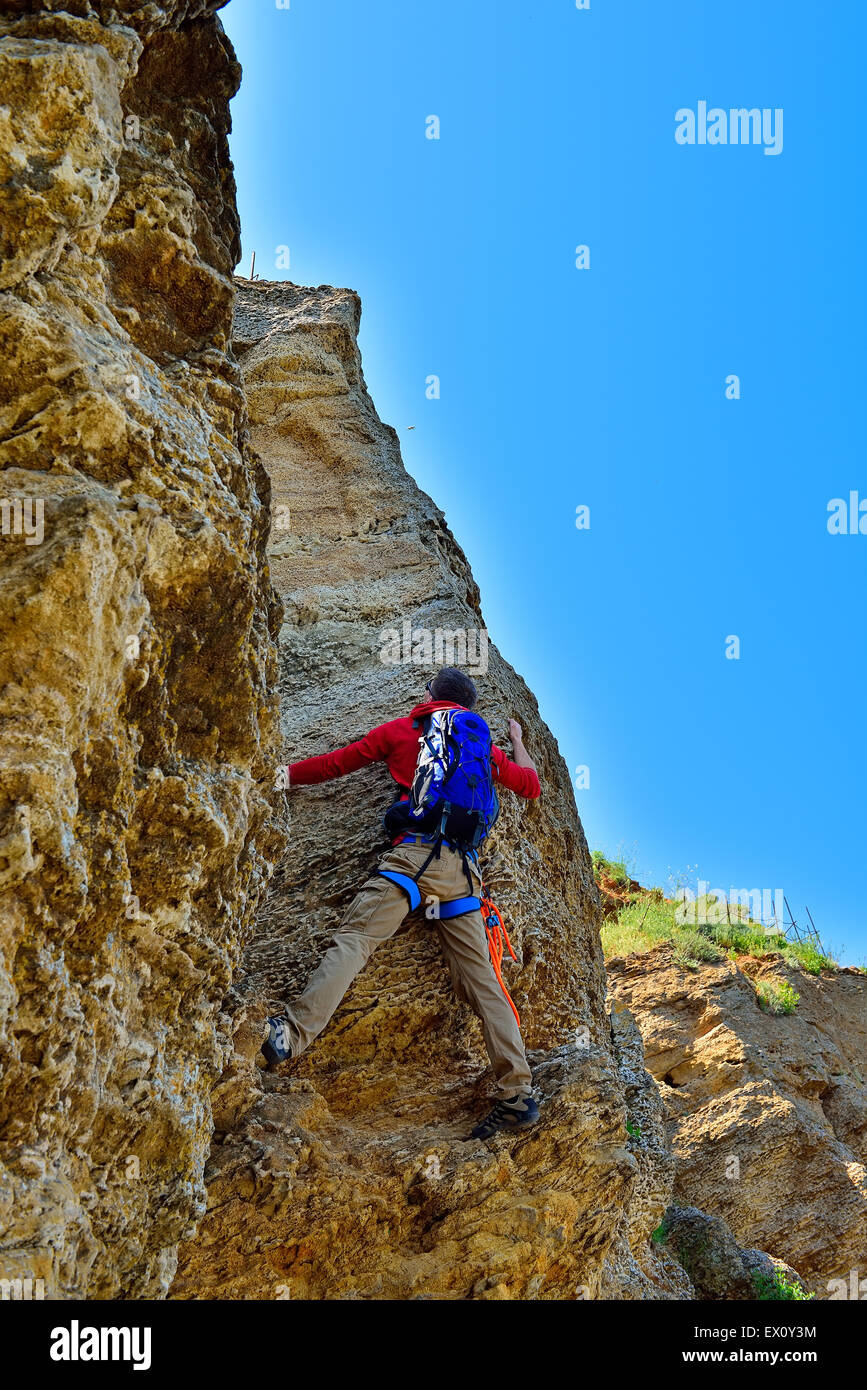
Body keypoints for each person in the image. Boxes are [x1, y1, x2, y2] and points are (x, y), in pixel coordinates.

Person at [262, 666, 543, 1138]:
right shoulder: (479, 747)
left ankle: (289, 1035)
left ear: (429, 695)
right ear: (469, 709)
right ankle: (517, 1092)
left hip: (412, 857)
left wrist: (281, 777)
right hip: (462, 873)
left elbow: (337, 763)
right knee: (484, 983)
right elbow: (530, 785)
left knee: (356, 940)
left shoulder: (403, 730)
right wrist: (516, 738)